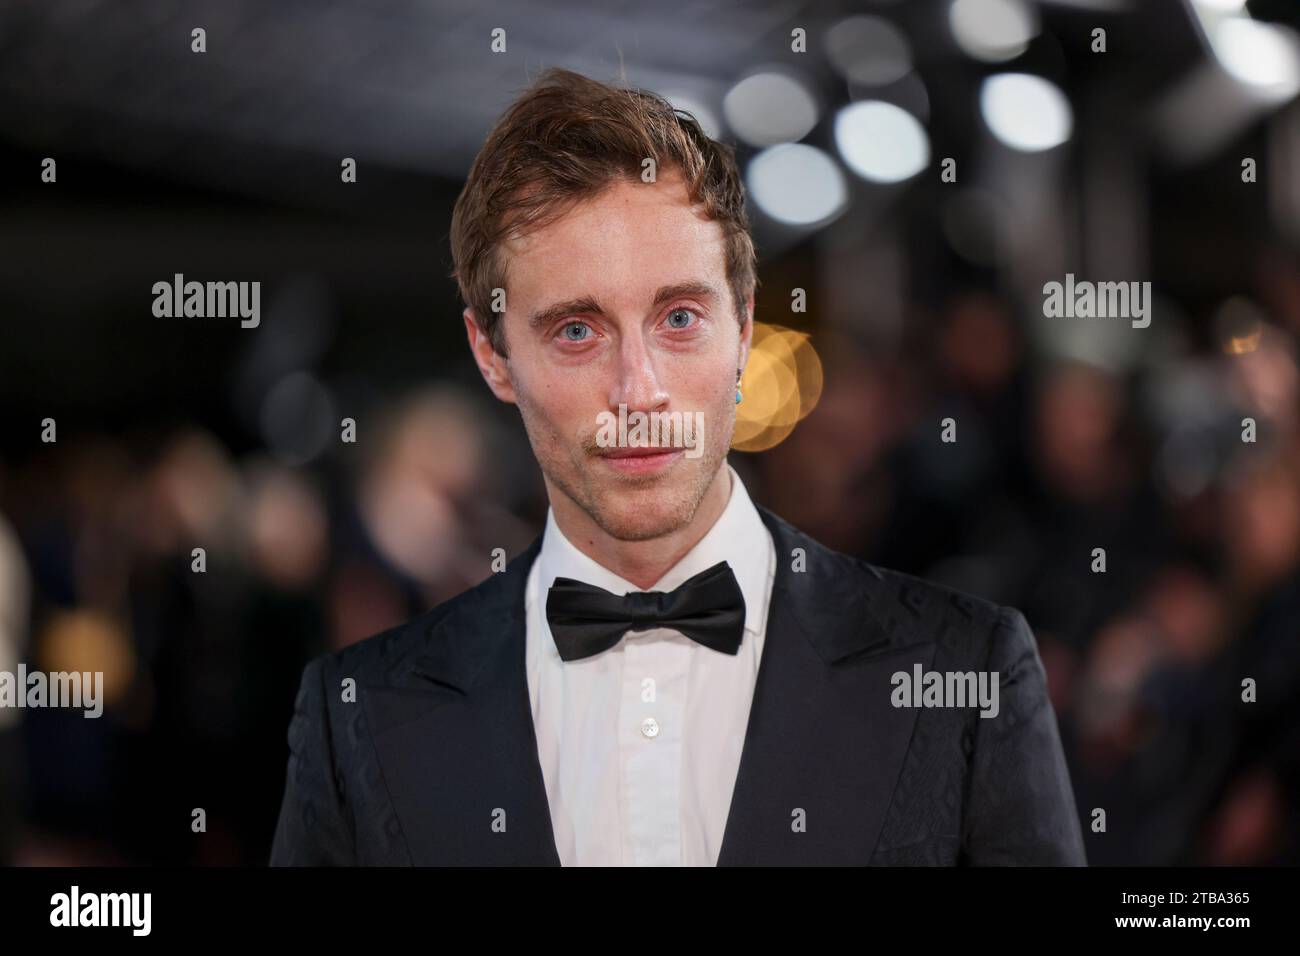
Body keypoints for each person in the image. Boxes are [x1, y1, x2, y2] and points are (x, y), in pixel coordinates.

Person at [269, 67, 1086, 866]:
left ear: (743, 324)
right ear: (493, 354)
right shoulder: (359, 718)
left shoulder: (967, 674)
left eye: (681, 317)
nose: (640, 392)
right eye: (577, 332)